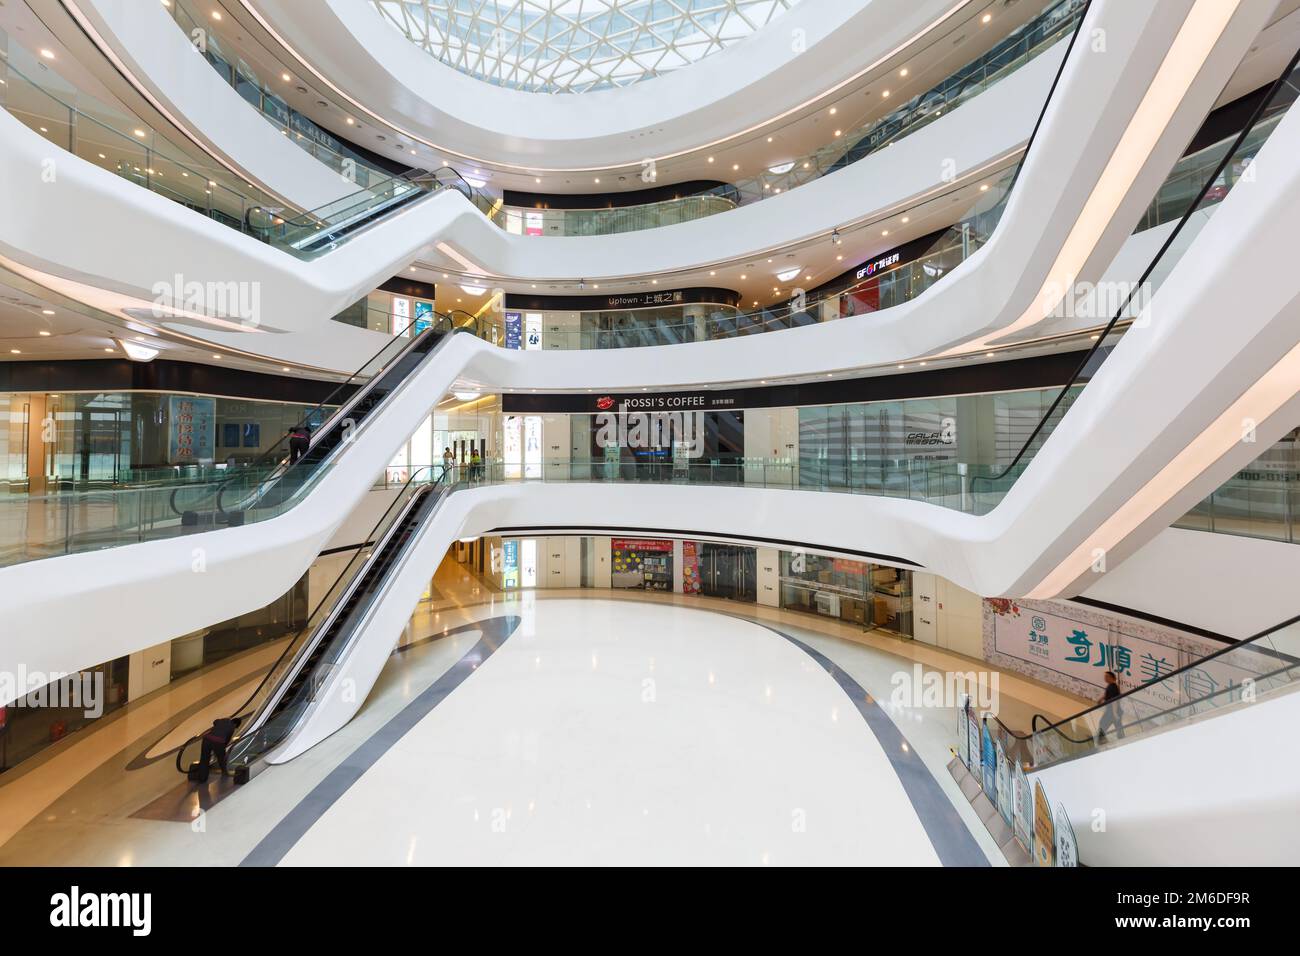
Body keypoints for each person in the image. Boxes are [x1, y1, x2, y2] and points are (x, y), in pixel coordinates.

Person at [1094, 670, 1125, 742]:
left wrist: (1114, 713)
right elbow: (1107, 695)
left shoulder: (1113, 687)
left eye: (1106, 677)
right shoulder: (1111, 686)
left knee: (1103, 723)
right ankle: (1121, 738)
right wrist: (1101, 699)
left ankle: (1100, 738)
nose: (1105, 678)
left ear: (1111, 677)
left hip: (1112, 711)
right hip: (1114, 711)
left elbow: (1115, 701)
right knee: (1118, 726)